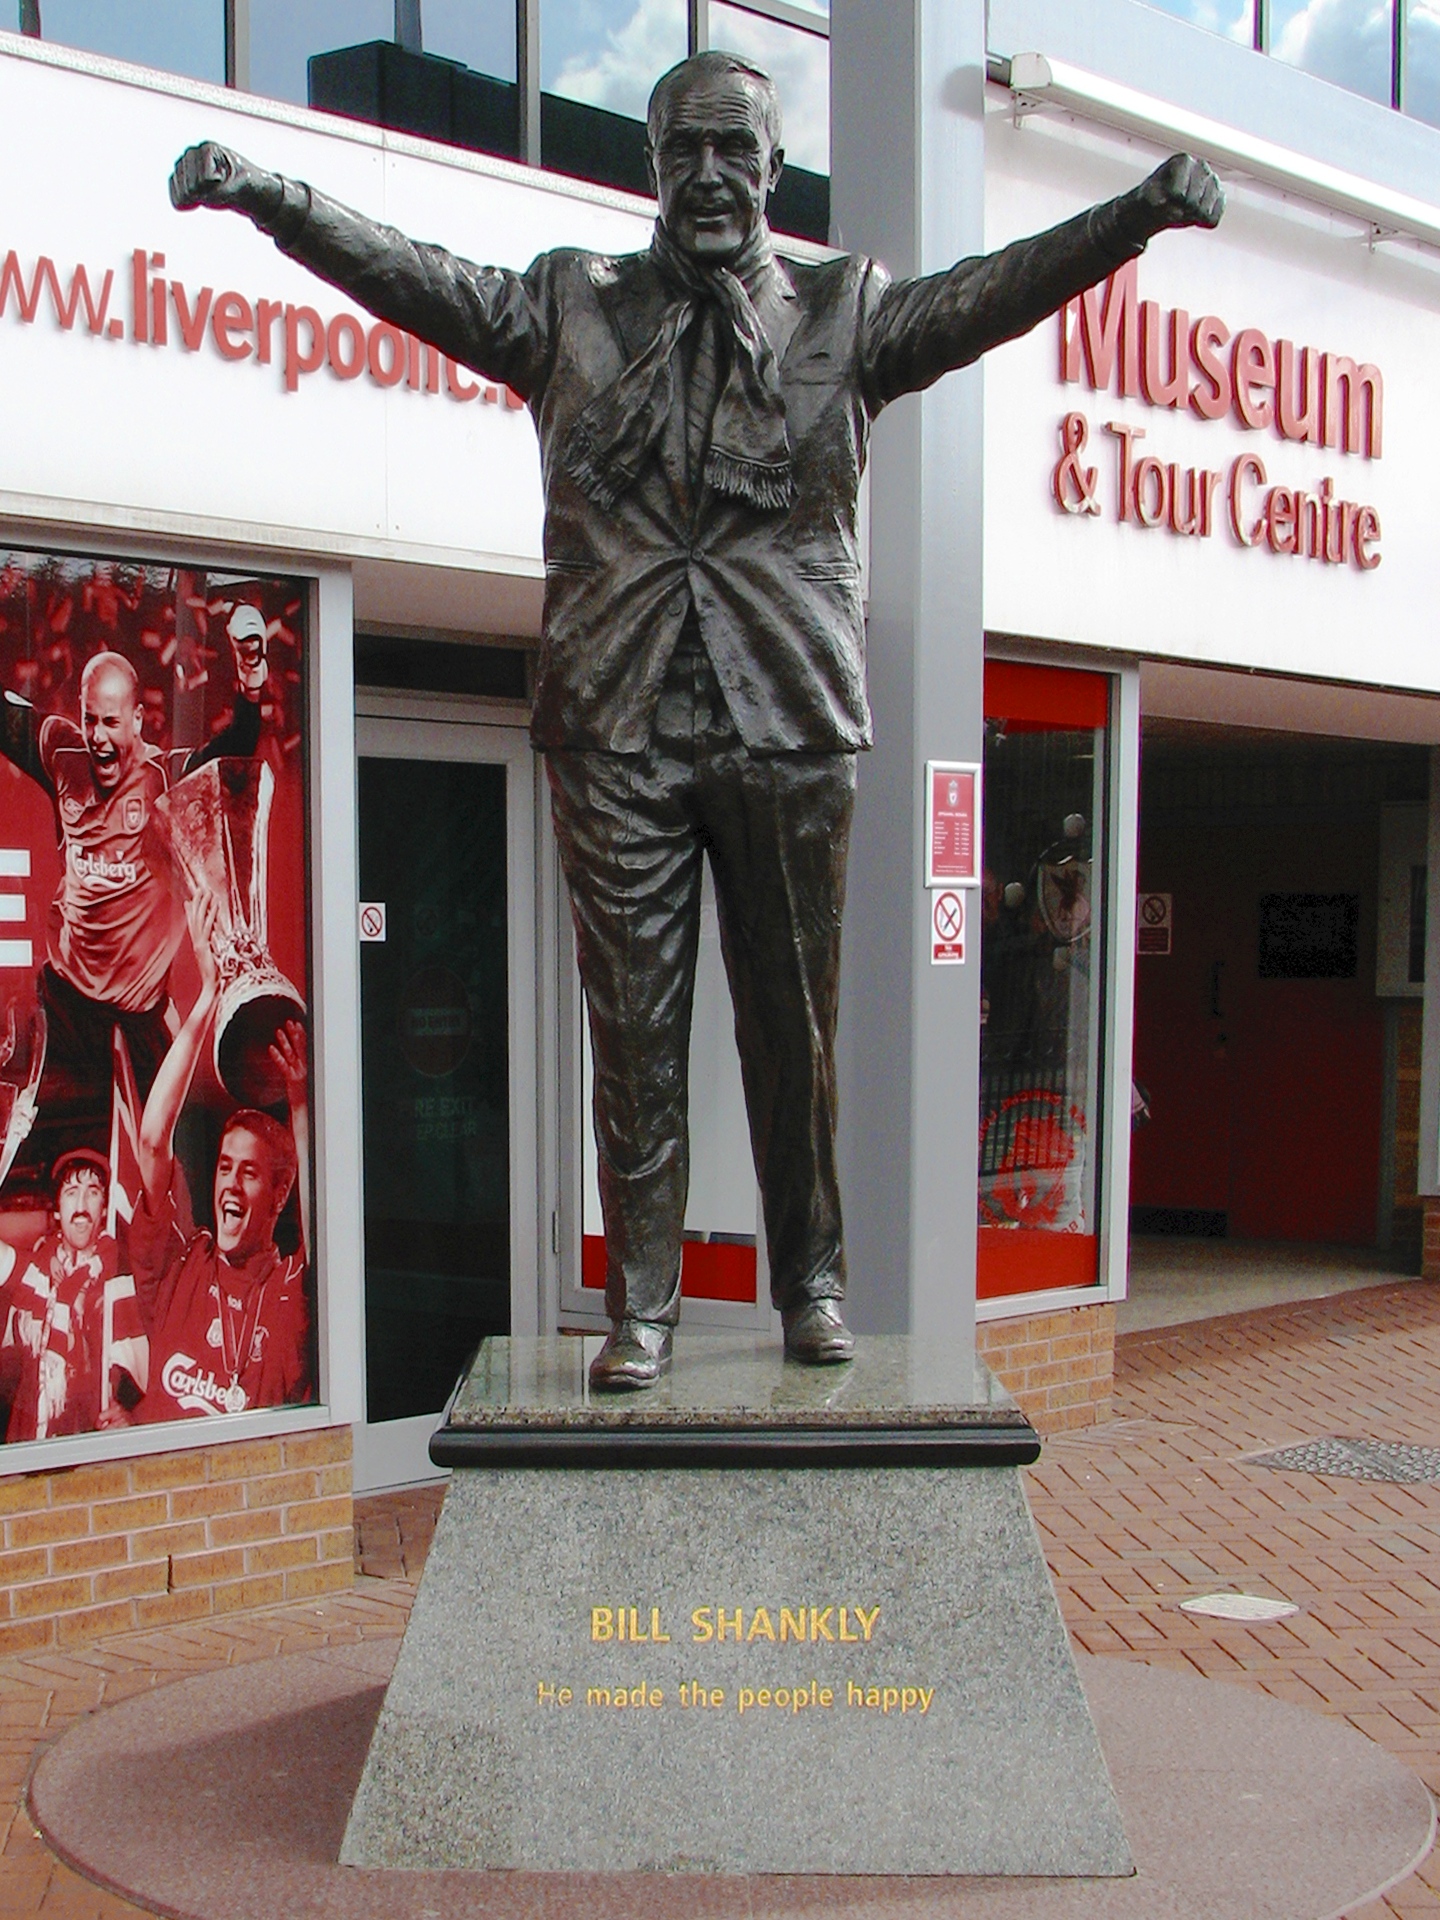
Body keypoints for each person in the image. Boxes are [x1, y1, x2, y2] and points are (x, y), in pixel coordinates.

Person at [169, 52, 1223, 1388]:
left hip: (786, 717)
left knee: (796, 1032)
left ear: (774, 169)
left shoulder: (849, 314)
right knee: (635, 1034)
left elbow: (990, 297)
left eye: (738, 151)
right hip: (615, 721)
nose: (713, 176)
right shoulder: (573, 303)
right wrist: (273, 195)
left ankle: (815, 1287)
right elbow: (419, 277)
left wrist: (1133, 213)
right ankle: (644, 1308)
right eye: (688, 152)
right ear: (653, 165)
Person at [0, 606, 272, 1172]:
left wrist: (250, 684)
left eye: (111, 723)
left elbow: (237, 745)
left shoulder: (167, 779)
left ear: (139, 720)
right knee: (43, 1160)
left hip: (142, 1010)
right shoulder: (61, 753)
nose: (98, 737)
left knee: (170, 1167)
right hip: (69, 998)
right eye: (90, 719)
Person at [127, 893, 311, 1423]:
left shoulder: (287, 1289)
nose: (229, 1182)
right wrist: (207, 998)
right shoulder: (185, 1264)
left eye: (249, 1172)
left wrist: (298, 1100)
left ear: (280, 1194)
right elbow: (152, 1140)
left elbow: (323, 1222)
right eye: (225, 1166)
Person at [0, 1147, 147, 1440]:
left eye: (92, 1192)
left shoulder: (121, 1285)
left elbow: (150, 1381)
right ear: (56, 1209)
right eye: (71, 1192)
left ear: (104, 1208)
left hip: (94, 1452)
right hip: (33, 1451)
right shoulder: (35, 1273)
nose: (81, 1205)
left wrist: (133, 1417)